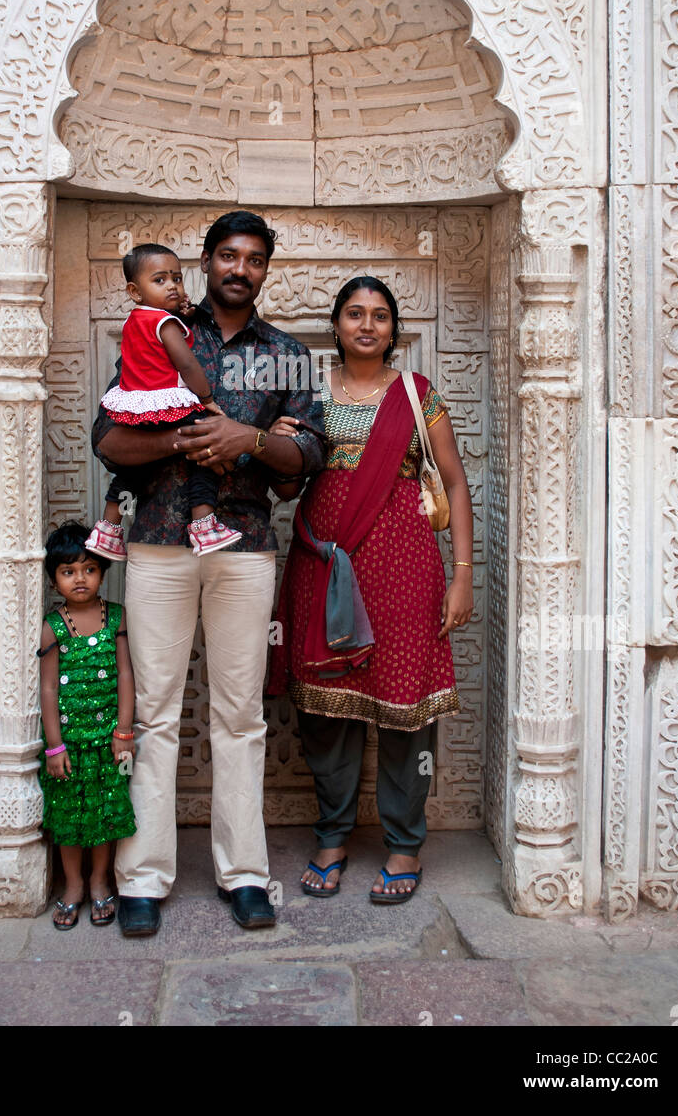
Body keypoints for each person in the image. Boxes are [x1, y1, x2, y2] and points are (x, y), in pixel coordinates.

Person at [92, 211, 326, 936]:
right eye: (227, 255)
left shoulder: (285, 354)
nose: (239, 268)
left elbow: (310, 454)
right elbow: (108, 441)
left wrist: (248, 438)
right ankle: (142, 877)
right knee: (155, 713)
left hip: (245, 549)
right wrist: (190, 438)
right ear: (204, 260)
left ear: (265, 270)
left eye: (254, 259)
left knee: (239, 716)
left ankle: (245, 873)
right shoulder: (159, 331)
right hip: (159, 546)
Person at [267, 276, 474, 903]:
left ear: (394, 329)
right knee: (325, 710)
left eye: (380, 316)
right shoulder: (307, 394)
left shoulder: (417, 396)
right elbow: (282, 491)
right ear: (336, 325)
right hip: (324, 567)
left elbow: (457, 485)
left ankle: (405, 845)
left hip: (406, 571)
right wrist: (276, 445)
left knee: (406, 711)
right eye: (354, 314)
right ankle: (331, 835)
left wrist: (463, 575)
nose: (366, 325)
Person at [86, 243, 241, 560]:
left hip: (136, 406)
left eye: (177, 279)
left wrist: (183, 312)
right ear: (134, 290)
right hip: (168, 403)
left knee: (133, 471)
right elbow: (186, 365)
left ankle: (108, 529)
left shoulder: (135, 321)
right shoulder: (166, 324)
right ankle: (204, 525)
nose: (172, 286)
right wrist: (207, 398)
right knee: (203, 453)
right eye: (160, 280)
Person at [37, 521, 137, 929]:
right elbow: (47, 690)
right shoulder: (53, 625)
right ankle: (73, 884)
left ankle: (100, 880)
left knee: (104, 816)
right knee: (68, 818)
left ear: (102, 572)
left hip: (105, 743)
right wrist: (55, 746)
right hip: (69, 747)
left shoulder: (116, 618)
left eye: (89, 569)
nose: (79, 578)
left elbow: (127, 675)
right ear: (54, 579)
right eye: (67, 571)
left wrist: (124, 732)